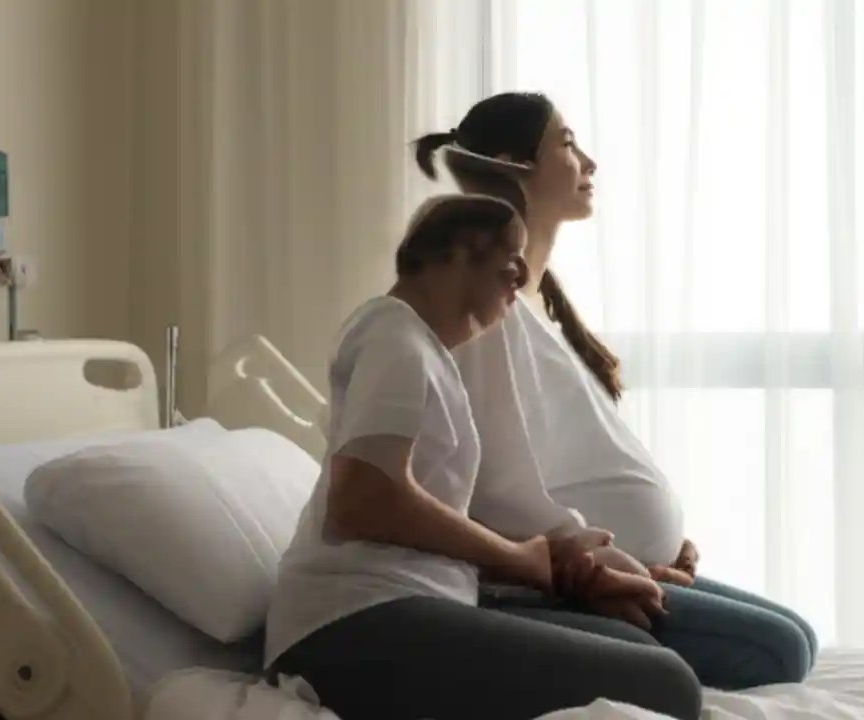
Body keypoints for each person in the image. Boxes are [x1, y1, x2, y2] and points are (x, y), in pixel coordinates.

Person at [414, 93, 819, 690]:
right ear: (513, 164)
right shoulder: (485, 315)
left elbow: (566, 461)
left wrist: (661, 542)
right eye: (568, 144)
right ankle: (538, 623)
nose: (590, 164)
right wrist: (608, 564)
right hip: (554, 580)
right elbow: (491, 488)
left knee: (798, 634)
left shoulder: (534, 308)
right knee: (778, 650)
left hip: (620, 561)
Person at [264, 194, 702, 720]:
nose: (520, 281)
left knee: (649, 656)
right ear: (465, 250)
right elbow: (362, 499)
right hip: (347, 623)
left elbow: (409, 505)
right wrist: (521, 560)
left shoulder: (419, 347)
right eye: (510, 261)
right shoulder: (394, 339)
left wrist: (554, 565)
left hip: (410, 604)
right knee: (667, 683)